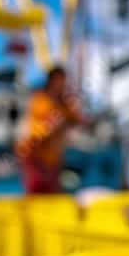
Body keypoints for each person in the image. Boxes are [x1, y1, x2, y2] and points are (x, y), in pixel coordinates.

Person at [16, 66, 86, 194]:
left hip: (53, 159)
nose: (64, 84)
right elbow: (36, 130)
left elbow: (80, 120)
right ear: (53, 81)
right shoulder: (40, 101)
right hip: (36, 156)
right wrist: (53, 127)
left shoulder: (64, 104)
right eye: (62, 81)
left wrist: (72, 103)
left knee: (51, 194)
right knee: (36, 194)